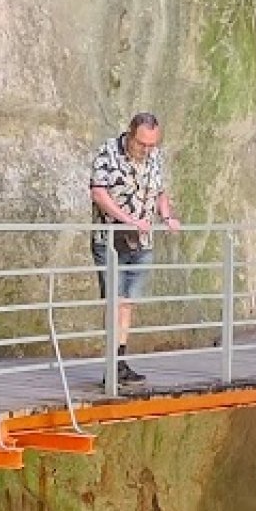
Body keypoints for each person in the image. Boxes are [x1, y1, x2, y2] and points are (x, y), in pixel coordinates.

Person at [88, 110, 181, 395]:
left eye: (152, 144)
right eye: (142, 144)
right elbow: (98, 192)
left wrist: (167, 217)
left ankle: (120, 362)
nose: (146, 150)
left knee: (128, 303)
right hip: (111, 240)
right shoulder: (107, 152)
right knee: (115, 302)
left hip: (142, 242)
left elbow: (160, 192)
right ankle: (110, 366)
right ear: (130, 135)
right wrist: (127, 220)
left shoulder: (155, 156)